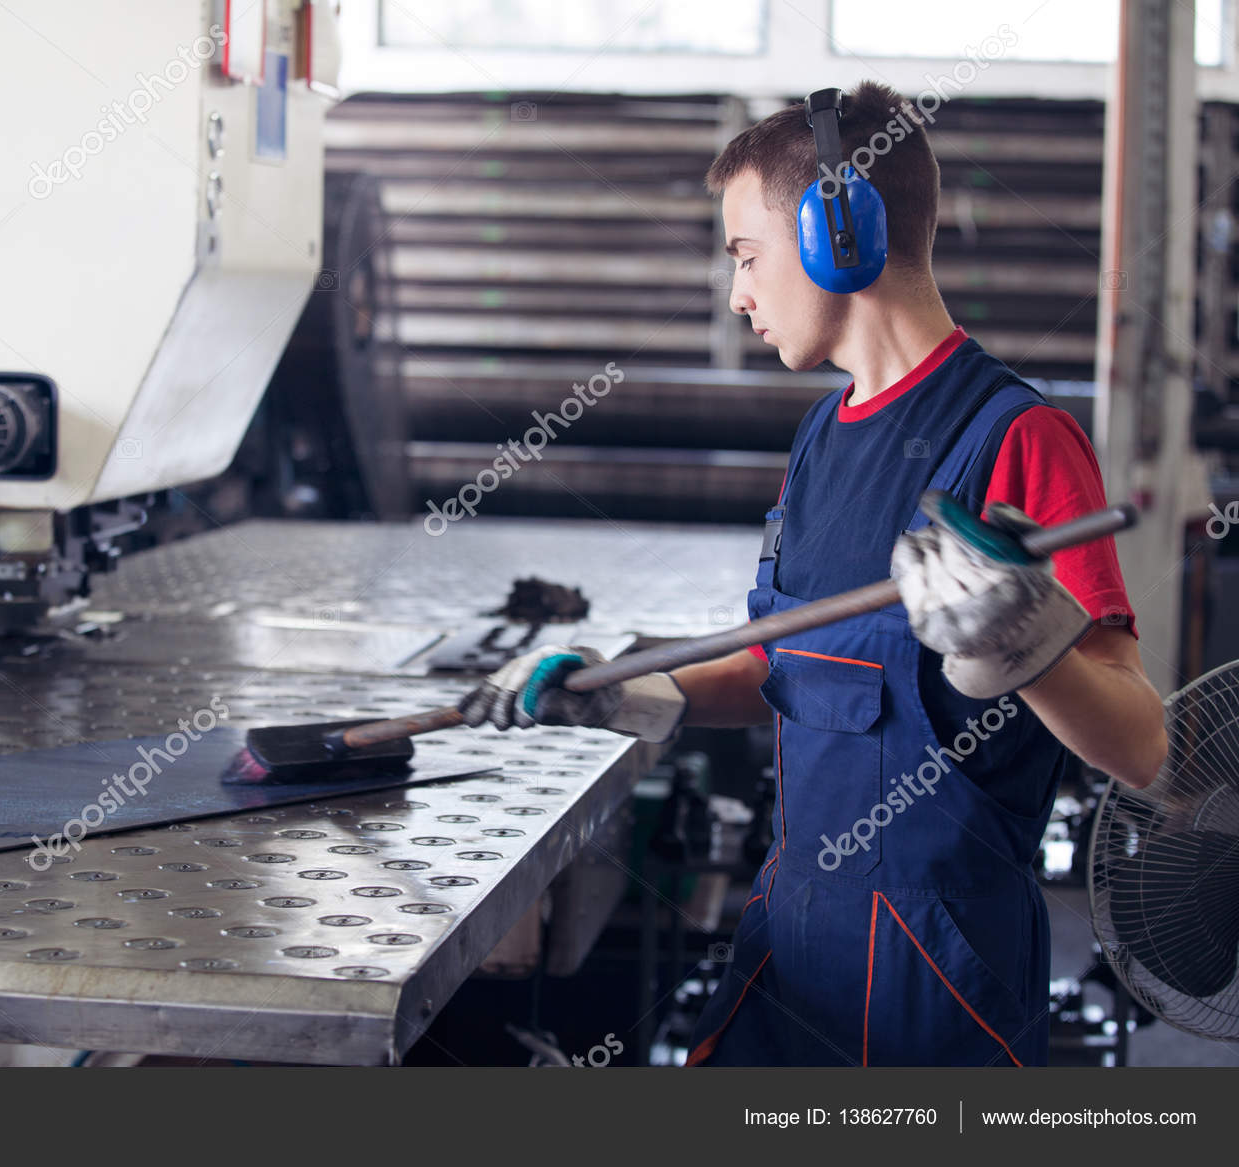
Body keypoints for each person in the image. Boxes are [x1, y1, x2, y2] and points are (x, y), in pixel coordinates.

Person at [457, 81, 1168, 1067]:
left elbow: (1142, 750)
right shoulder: (820, 440)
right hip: (793, 936)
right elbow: (781, 671)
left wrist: (1030, 646)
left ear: (843, 231)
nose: (737, 293)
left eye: (746, 255)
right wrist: (614, 688)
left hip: (940, 975)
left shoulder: (1016, 438)